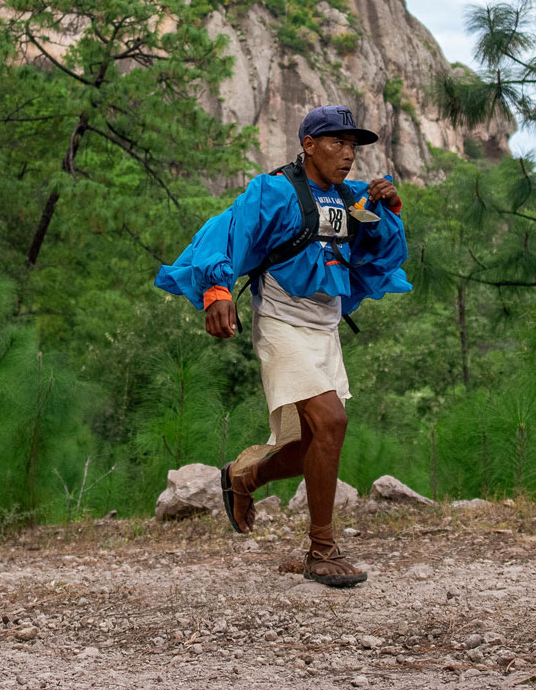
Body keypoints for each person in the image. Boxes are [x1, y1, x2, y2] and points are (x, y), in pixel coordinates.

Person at [154, 104, 410, 587]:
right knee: (333, 420)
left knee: (316, 441)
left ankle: (243, 477)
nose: (348, 154)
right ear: (308, 145)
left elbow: (386, 253)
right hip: (281, 322)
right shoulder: (272, 191)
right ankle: (322, 549)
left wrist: (388, 209)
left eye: (353, 145)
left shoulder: (354, 197)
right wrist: (217, 290)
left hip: (324, 326)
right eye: (336, 142)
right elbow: (224, 232)